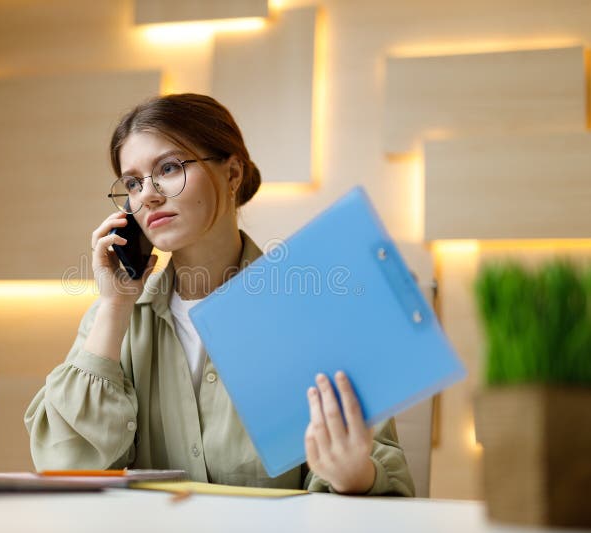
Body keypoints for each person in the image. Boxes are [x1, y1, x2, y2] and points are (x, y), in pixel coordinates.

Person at [24, 93, 415, 496]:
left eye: (169, 168)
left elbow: (387, 481)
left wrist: (352, 475)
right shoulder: (113, 318)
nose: (148, 196)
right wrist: (115, 305)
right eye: (133, 183)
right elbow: (64, 468)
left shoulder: (316, 311)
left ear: (232, 175)